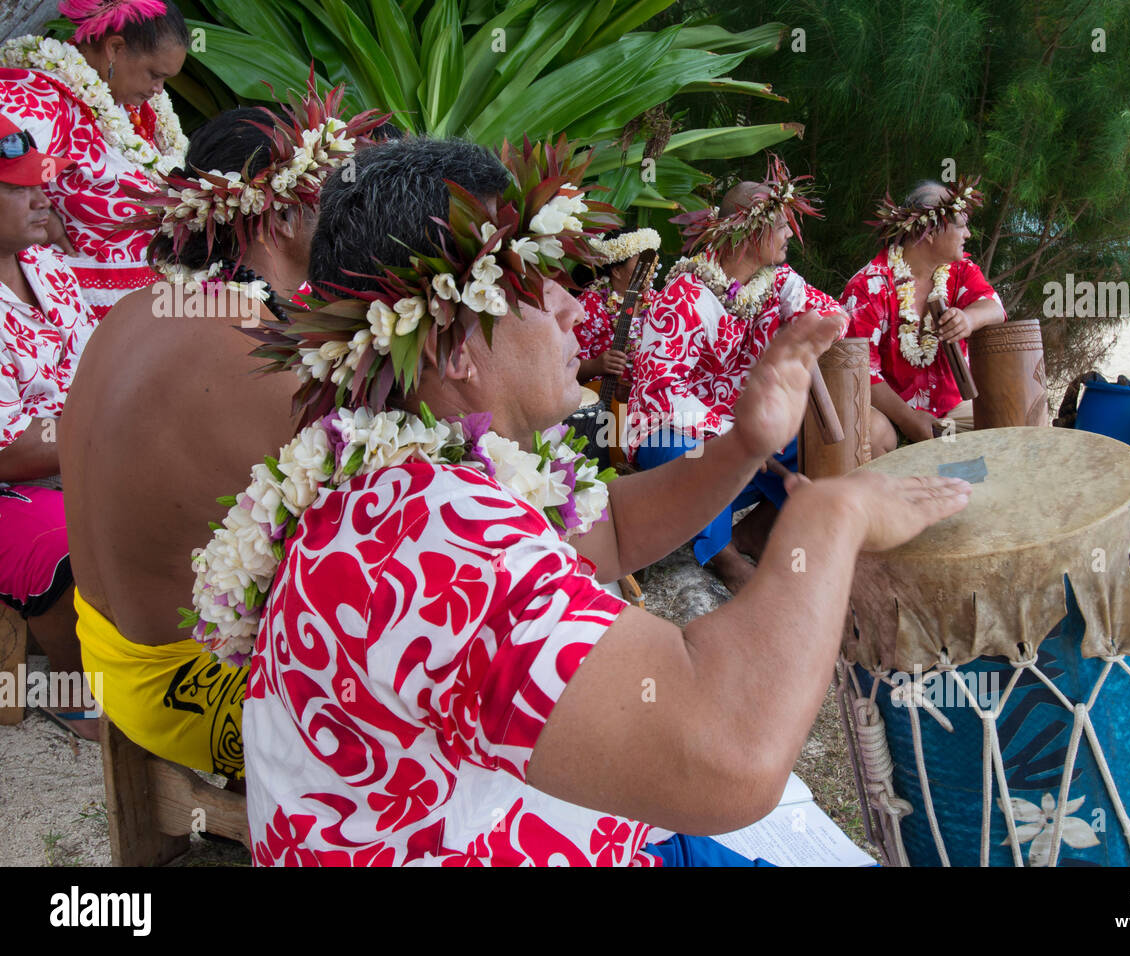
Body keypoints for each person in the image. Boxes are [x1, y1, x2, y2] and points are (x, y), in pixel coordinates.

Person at [204, 135, 970, 866]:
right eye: (542, 288)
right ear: (454, 349)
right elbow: (729, 754)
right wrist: (832, 515)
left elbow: (610, 527)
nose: (578, 310)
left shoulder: (410, 467)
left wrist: (743, 445)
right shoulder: (430, 531)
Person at [59, 85, 384, 776]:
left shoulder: (136, 307)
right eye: (334, 191)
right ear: (271, 217)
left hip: (107, 657)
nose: (352, 211)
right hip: (190, 695)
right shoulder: (260, 360)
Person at [626, 155, 848, 593]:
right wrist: (737, 438)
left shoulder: (777, 280)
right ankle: (724, 559)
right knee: (682, 449)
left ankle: (756, 534)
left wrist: (805, 326)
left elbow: (838, 318)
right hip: (671, 430)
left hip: (745, 430)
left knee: (813, 437)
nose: (790, 235)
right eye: (782, 225)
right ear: (749, 231)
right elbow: (660, 395)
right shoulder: (684, 296)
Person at [0, 116, 99, 738]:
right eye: (18, 188)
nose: (43, 199)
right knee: (71, 537)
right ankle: (71, 686)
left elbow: (97, 371)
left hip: (76, 456)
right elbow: (6, 450)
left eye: (41, 183)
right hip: (15, 480)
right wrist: (105, 436)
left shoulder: (49, 268)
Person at [0, 0, 189, 319]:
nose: (159, 90)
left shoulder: (134, 106)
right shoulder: (43, 100)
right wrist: (46, 220)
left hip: (147, 311)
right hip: (87, 315)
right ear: (115, 48)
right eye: (154, 75)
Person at [841, 178, 1006, 455]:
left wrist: (968, 319)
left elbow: (994, 307)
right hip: (890, 416)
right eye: (961, 225)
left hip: (950, 410)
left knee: (1010, 416)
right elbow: (861, 372)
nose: (967, 234)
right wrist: (908, 420)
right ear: (930, 231)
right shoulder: (869, 286)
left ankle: (978, 492)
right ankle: (893, 495)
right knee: (871, 430)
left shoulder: (960, 270)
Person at [574, 227, 660, 398]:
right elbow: (562, 366)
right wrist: (595, 366)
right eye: (642, 263)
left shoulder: (658, 301)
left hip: (645, 402)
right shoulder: (589, 305)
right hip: (601, 402)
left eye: (653, 262)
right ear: (617, 271)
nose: (651, 270)